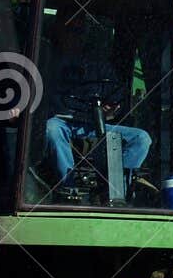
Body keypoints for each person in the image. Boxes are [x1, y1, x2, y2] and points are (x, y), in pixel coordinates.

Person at [42, 15, 152, 189]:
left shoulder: (99, 66)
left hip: (93, 126)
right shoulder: (46, 61)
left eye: (80, 31)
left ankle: (116, 189)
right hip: (62, 121)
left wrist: (111, 109)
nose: (76, 36)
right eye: (71, 30)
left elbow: (114, 97)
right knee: (51, 129)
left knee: (141, 138)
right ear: (59, 32)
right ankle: (69, 189)